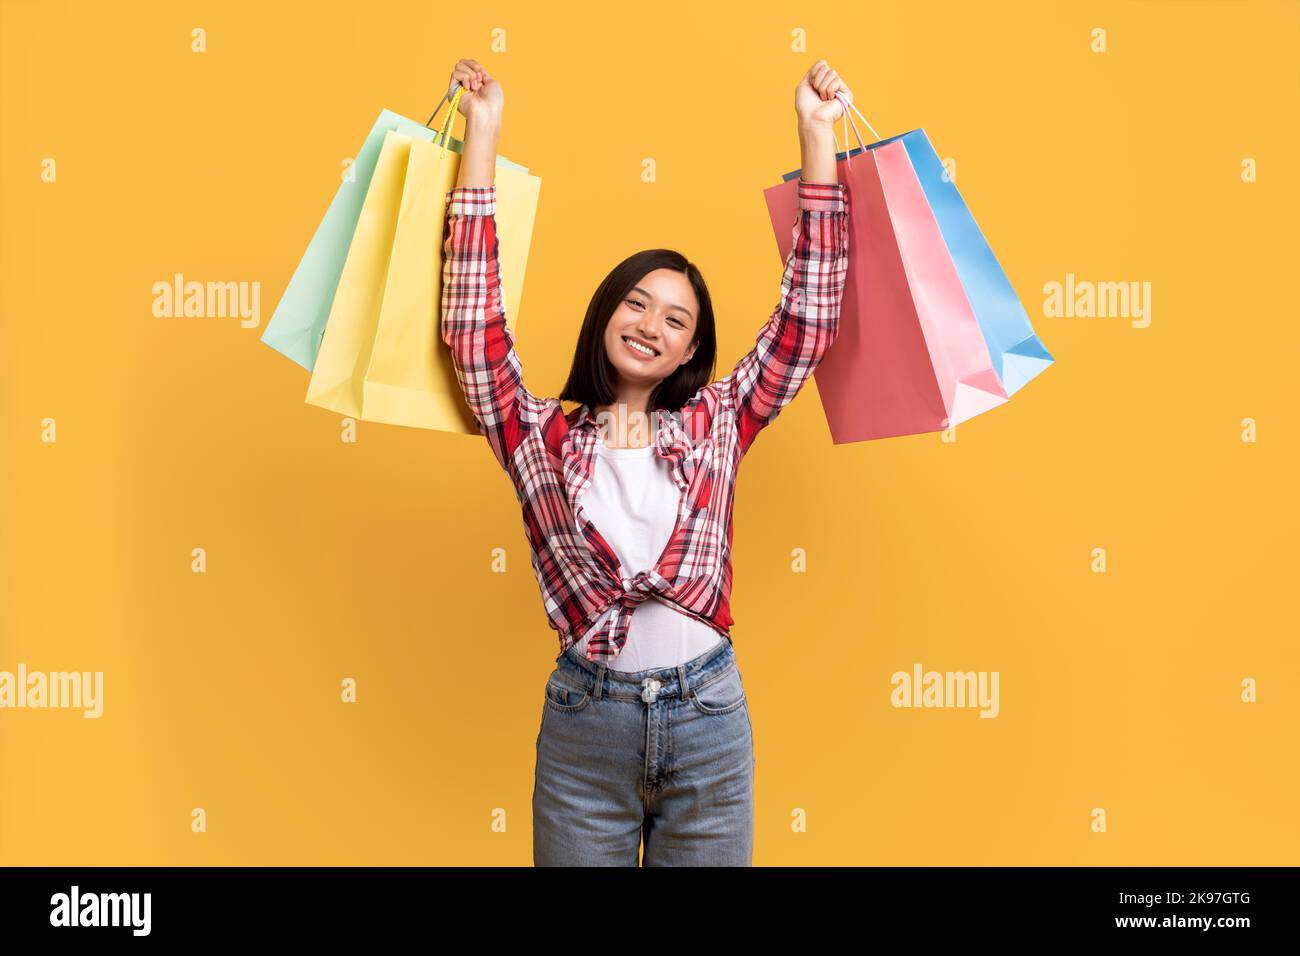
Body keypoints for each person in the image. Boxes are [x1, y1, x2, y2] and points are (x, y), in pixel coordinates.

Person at [440, 56, 851, 865]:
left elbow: (809, 316)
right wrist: (481, 137)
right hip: (585, 727)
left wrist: (815, 135)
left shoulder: (720, 419)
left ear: (691, 349)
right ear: (605, 314)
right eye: (636, 303)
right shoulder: (538, 434)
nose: (650, 325)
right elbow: (472, 330)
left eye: (675, 319)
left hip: (708, 720)